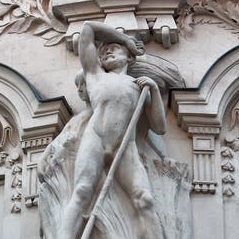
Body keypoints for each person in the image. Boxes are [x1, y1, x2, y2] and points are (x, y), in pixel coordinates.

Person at [58, 22, 165, 239]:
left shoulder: (138, 85)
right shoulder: (94, 75)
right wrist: (124, 39)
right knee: (81, 193)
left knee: (145, 199)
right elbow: (88, 29)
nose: (107, 49)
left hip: (125, 147)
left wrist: (153, 90)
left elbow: (160, 127)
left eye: (115, 48)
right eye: (104, 49)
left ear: (129, 58)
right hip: (95, 139)